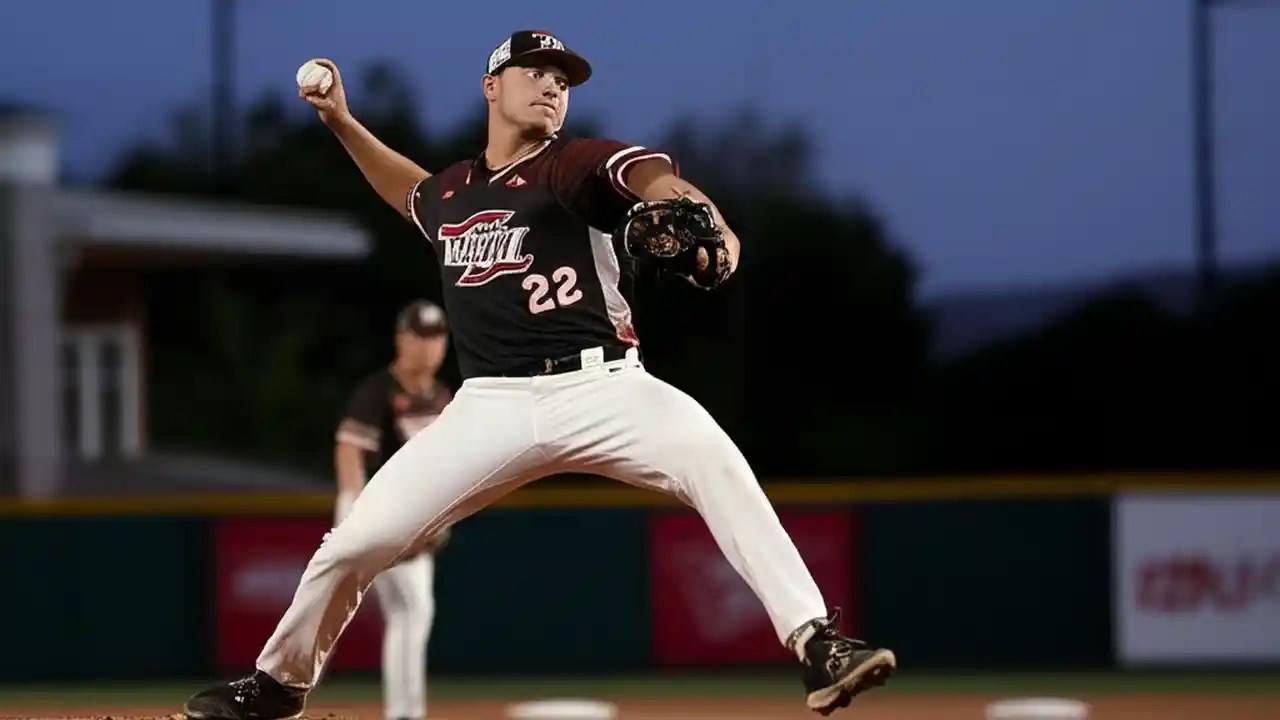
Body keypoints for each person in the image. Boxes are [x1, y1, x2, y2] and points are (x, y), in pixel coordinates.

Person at [182, 29, 895, 720]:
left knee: (716, 462)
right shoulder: (454, 193)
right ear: (491, 87)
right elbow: (409, 192)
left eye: (563, 78)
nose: (553, 84)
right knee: (356, 542)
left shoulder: (578, 165)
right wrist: (341, 121)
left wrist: (714, 235)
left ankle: (817, 643)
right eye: (536, 71)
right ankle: (278, 684)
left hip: (605, 387)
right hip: (489, 404)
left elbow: (664, 183)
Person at [334, 300, 453, 720]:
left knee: (412, 612)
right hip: (372, 508)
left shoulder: (443, 397)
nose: (430, 346)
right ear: (402, 338)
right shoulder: (378, 391)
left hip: (414, 515)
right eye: (421, 336)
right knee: (409, 610)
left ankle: (404, 712)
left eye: (437, 336)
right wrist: (359, 511)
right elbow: (350, 452)